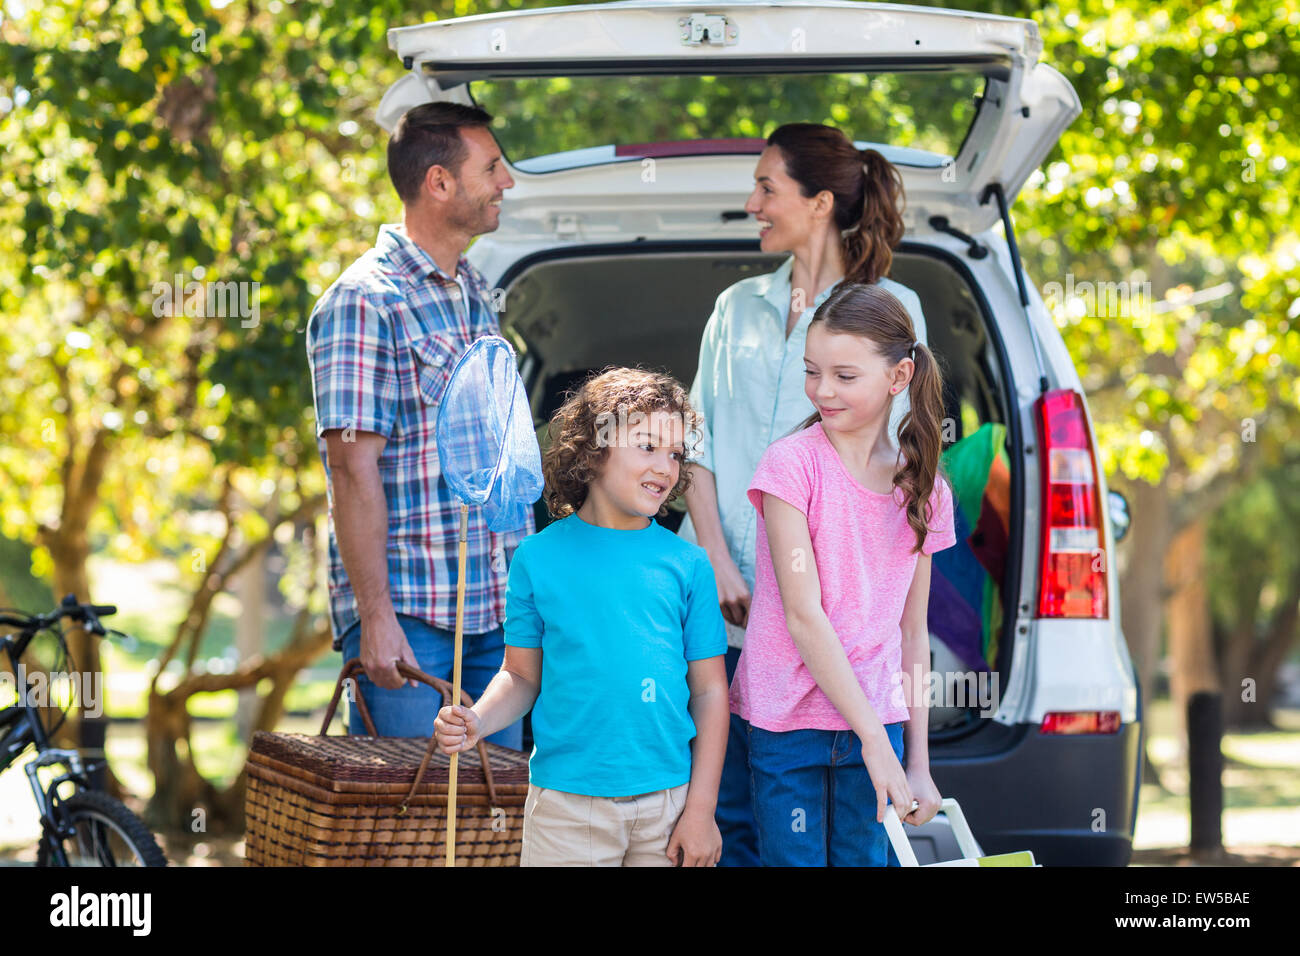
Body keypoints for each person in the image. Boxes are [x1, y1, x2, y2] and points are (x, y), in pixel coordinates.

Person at [680, 122, 928, 865]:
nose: (752, 203)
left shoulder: (893, 310)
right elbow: (696, 444)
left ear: (820, 203)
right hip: (720, 613)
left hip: (833, 634)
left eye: (766, 187)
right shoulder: (735, 310)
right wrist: (720, 563)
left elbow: (907, 471)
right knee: (726, 812)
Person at [433, 369, 730, 866]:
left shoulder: (689, 564)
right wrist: (478, 720)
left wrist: (701, 809)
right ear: (594, 449)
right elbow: (521, 676)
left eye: (676, 453)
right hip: (566, 807)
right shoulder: (536, 558)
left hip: (669, 806)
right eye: (648, 446)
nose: (666, 466)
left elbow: (709, 692)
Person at [305, 102, 527, 745]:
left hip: (490, 616)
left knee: (485, 827)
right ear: (439, 182)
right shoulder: (363, 301)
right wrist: (375, 619)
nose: (506, 182)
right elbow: (350, 468)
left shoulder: (475, 292)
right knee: (407, 824)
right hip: (410, 622)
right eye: (492, 168)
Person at [732, 281, 956, 866]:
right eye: (813, 372)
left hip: (878, 726)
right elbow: (804, 617)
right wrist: (879, 743)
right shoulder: (791, 467)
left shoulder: (925, 487)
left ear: (899, 377)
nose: (822, 390)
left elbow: (913, 634)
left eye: (844, 376)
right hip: (787, 726)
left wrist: (917, 763)